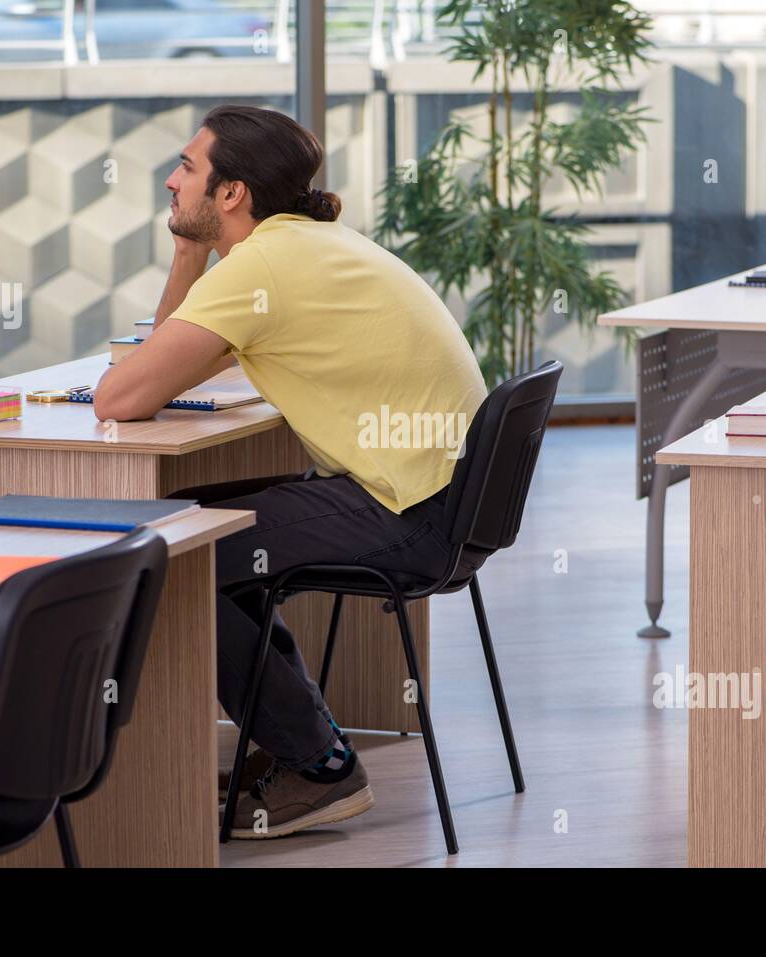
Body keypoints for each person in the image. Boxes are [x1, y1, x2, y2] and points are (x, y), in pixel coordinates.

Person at [92, 105, 486, 839]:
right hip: (446, 501)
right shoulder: (302, 247)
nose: (171, 183)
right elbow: (167, 369)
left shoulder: (262, 267)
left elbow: (121, 395)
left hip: (409, 513)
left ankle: (319, 763)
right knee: (182, 517)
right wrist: (191, 255)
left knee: (172, 557)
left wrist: (185, 258)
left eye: (187, 168)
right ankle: (287, 739)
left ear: (232, 193)